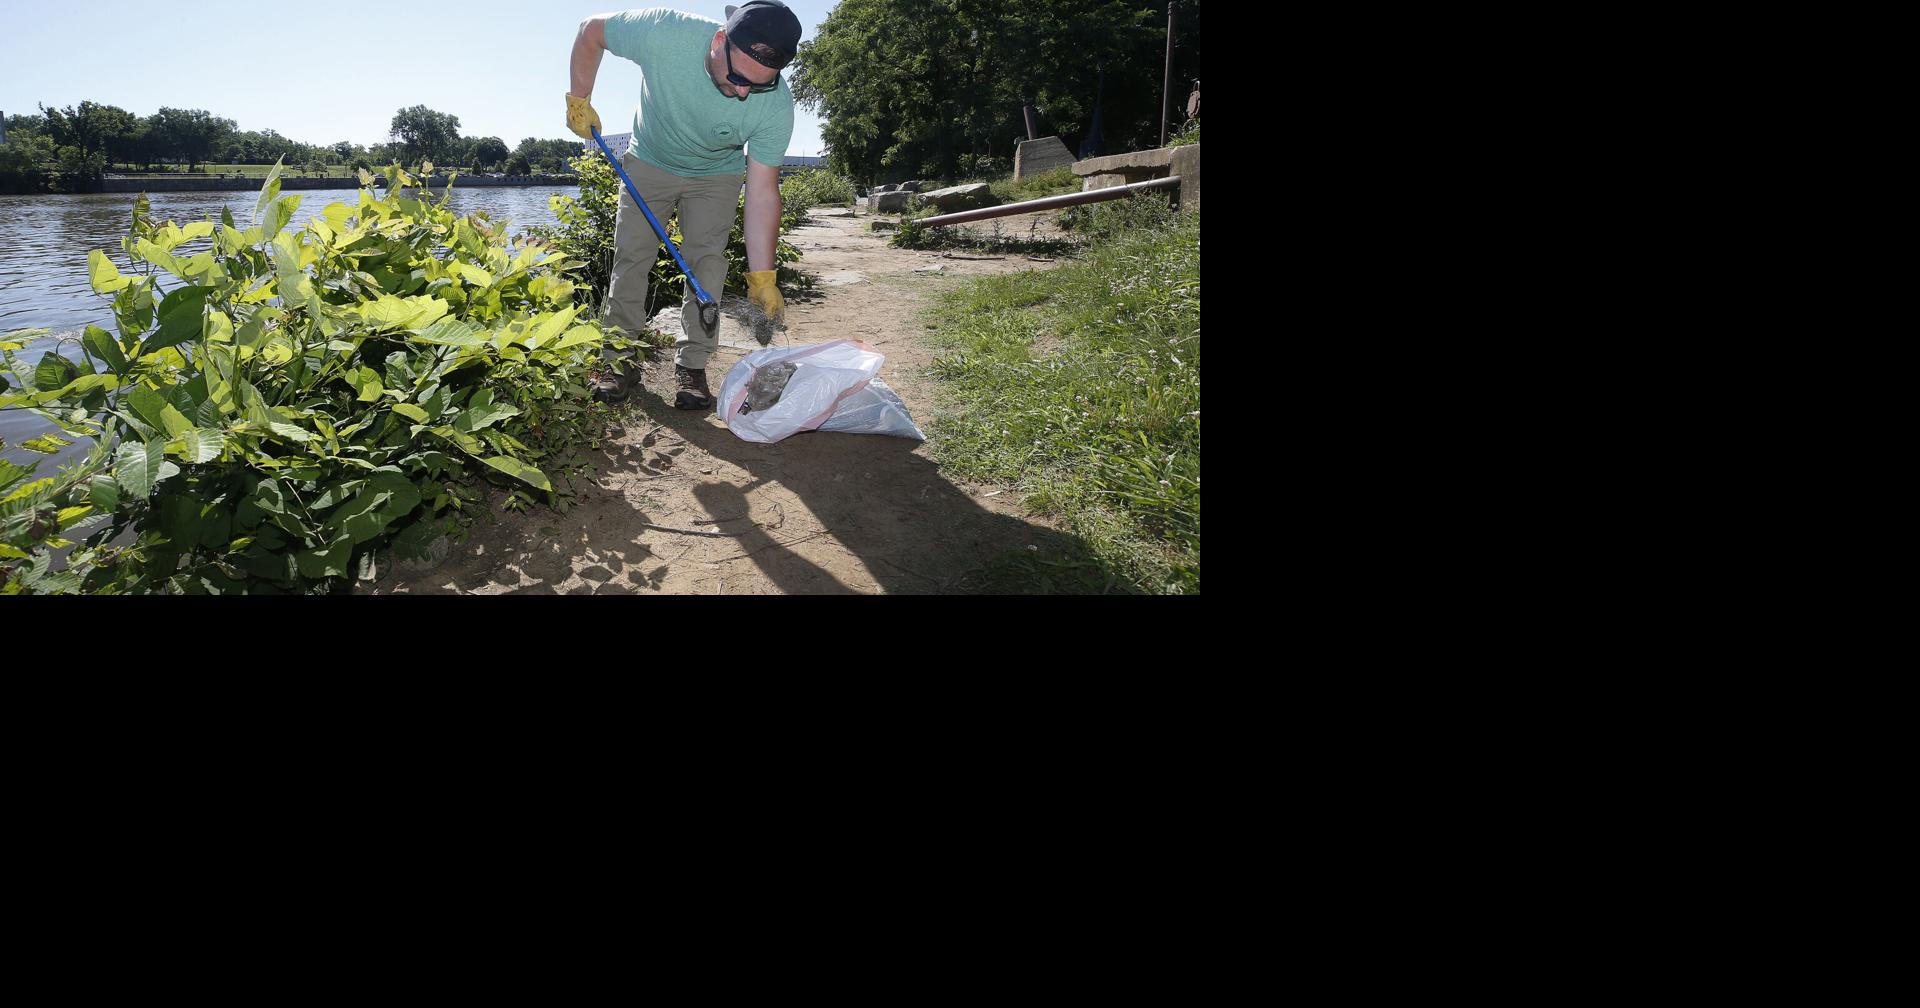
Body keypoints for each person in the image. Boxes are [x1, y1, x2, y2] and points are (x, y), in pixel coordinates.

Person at [565, 2, 799, 409]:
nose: (744, 91)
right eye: (739, 77)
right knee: (632, 258)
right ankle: (617, 360)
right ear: (719, 40)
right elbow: (591, 31)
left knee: (707, 263)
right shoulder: (665, 32)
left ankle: (692, 365)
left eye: (758, 84)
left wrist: (763, 276)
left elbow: (762, 192)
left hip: (716, 174)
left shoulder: (775, 105)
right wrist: (578, 99)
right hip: (649, 162)